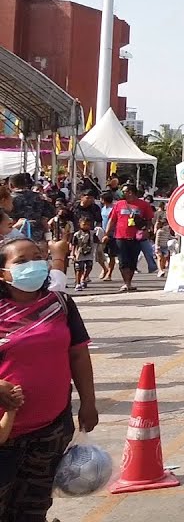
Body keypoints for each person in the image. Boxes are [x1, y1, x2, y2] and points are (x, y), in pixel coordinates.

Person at [0, 237, 98, 519]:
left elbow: (78, 355)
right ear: (3, 273)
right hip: (4, 434)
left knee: (33, 507)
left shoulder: (60, 304)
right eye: (21, 261)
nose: (32, 265)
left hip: (51, 430)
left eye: (37, 257)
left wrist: (88, 403)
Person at [103, 185, 155, 292]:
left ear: (130, 192)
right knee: (122, 261)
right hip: (120, 237)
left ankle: (129, 282)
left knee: (132, 262)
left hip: (136, 238)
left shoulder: (144, 205)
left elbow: (149, 220)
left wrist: (147, 231)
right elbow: (112, 220)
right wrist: (106, 234)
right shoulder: (119, 204)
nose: (122, 193)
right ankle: (126, 283)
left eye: (124, 191)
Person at [8, 174, 53, 253]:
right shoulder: (38, 197)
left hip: (16, 235)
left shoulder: (9, 199)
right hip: (37, 235)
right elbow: (50, 212)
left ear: (11, 185)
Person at [72, 217, 100, 290]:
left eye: (88, 225)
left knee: (89, 266)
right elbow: (74, 244)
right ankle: (78, 283)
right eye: (84, 224)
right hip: (79, 253)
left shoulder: (92, 233)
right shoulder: (77, 234)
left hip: (89, 253)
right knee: (79, 268)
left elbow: (98, 241)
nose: (86, 226)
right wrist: (73, 253)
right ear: (80, 224)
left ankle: (83, 278)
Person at [98, 190, 117, 282]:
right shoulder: (103, 208)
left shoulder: (113, 209)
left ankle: (109, 273)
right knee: (99, 253)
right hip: (102, 232)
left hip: (112, 234)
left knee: (111, 255)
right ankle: (104, 268)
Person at [154, 205, 173, 277]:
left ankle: (162, 269)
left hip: (165, 246)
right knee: (159, 257)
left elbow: (169, 236)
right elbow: (157, 240)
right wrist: (157, 247)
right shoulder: (160, 231)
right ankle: (160, 270)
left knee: (164, 259)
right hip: (159, 246)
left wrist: (174, 238)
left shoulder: (167, 230)